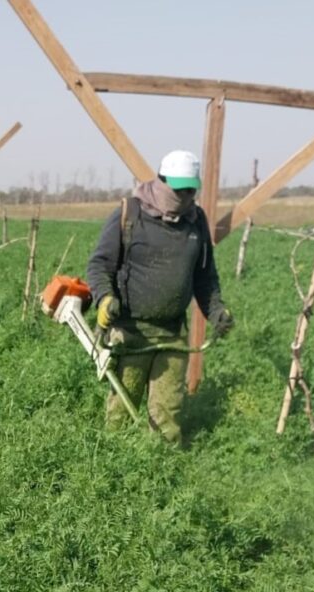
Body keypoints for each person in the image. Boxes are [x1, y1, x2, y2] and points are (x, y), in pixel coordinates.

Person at [85, 149, 235, 443]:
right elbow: (99, 264)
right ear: (161, 182)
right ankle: (114, 462)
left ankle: (164, 463)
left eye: (191, 190)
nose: (186, 196)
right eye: (179, 190)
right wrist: (104, 298)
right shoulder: (130, 213)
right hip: (131, 333)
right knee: (122, 411)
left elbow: (205, 276)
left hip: (172, 333)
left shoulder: (196, 221)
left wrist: (216, 310)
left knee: (167, 414)